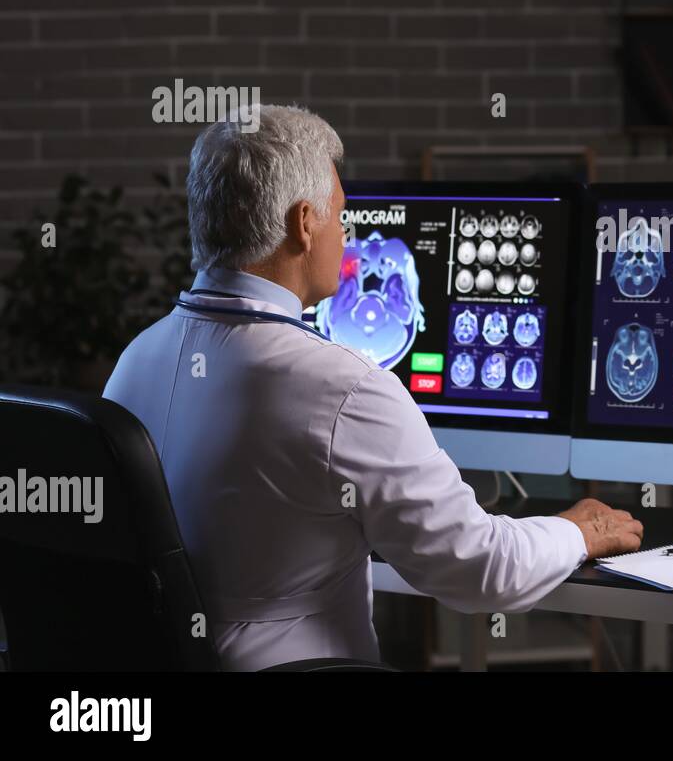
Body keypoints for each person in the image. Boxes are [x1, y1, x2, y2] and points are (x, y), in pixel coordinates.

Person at [104, 104, 642, 671]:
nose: (345, 233)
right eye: (341, 215)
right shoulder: (344, 387)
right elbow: (478, 569)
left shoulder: (135, 359)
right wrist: (577, 532)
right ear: (303, 223)